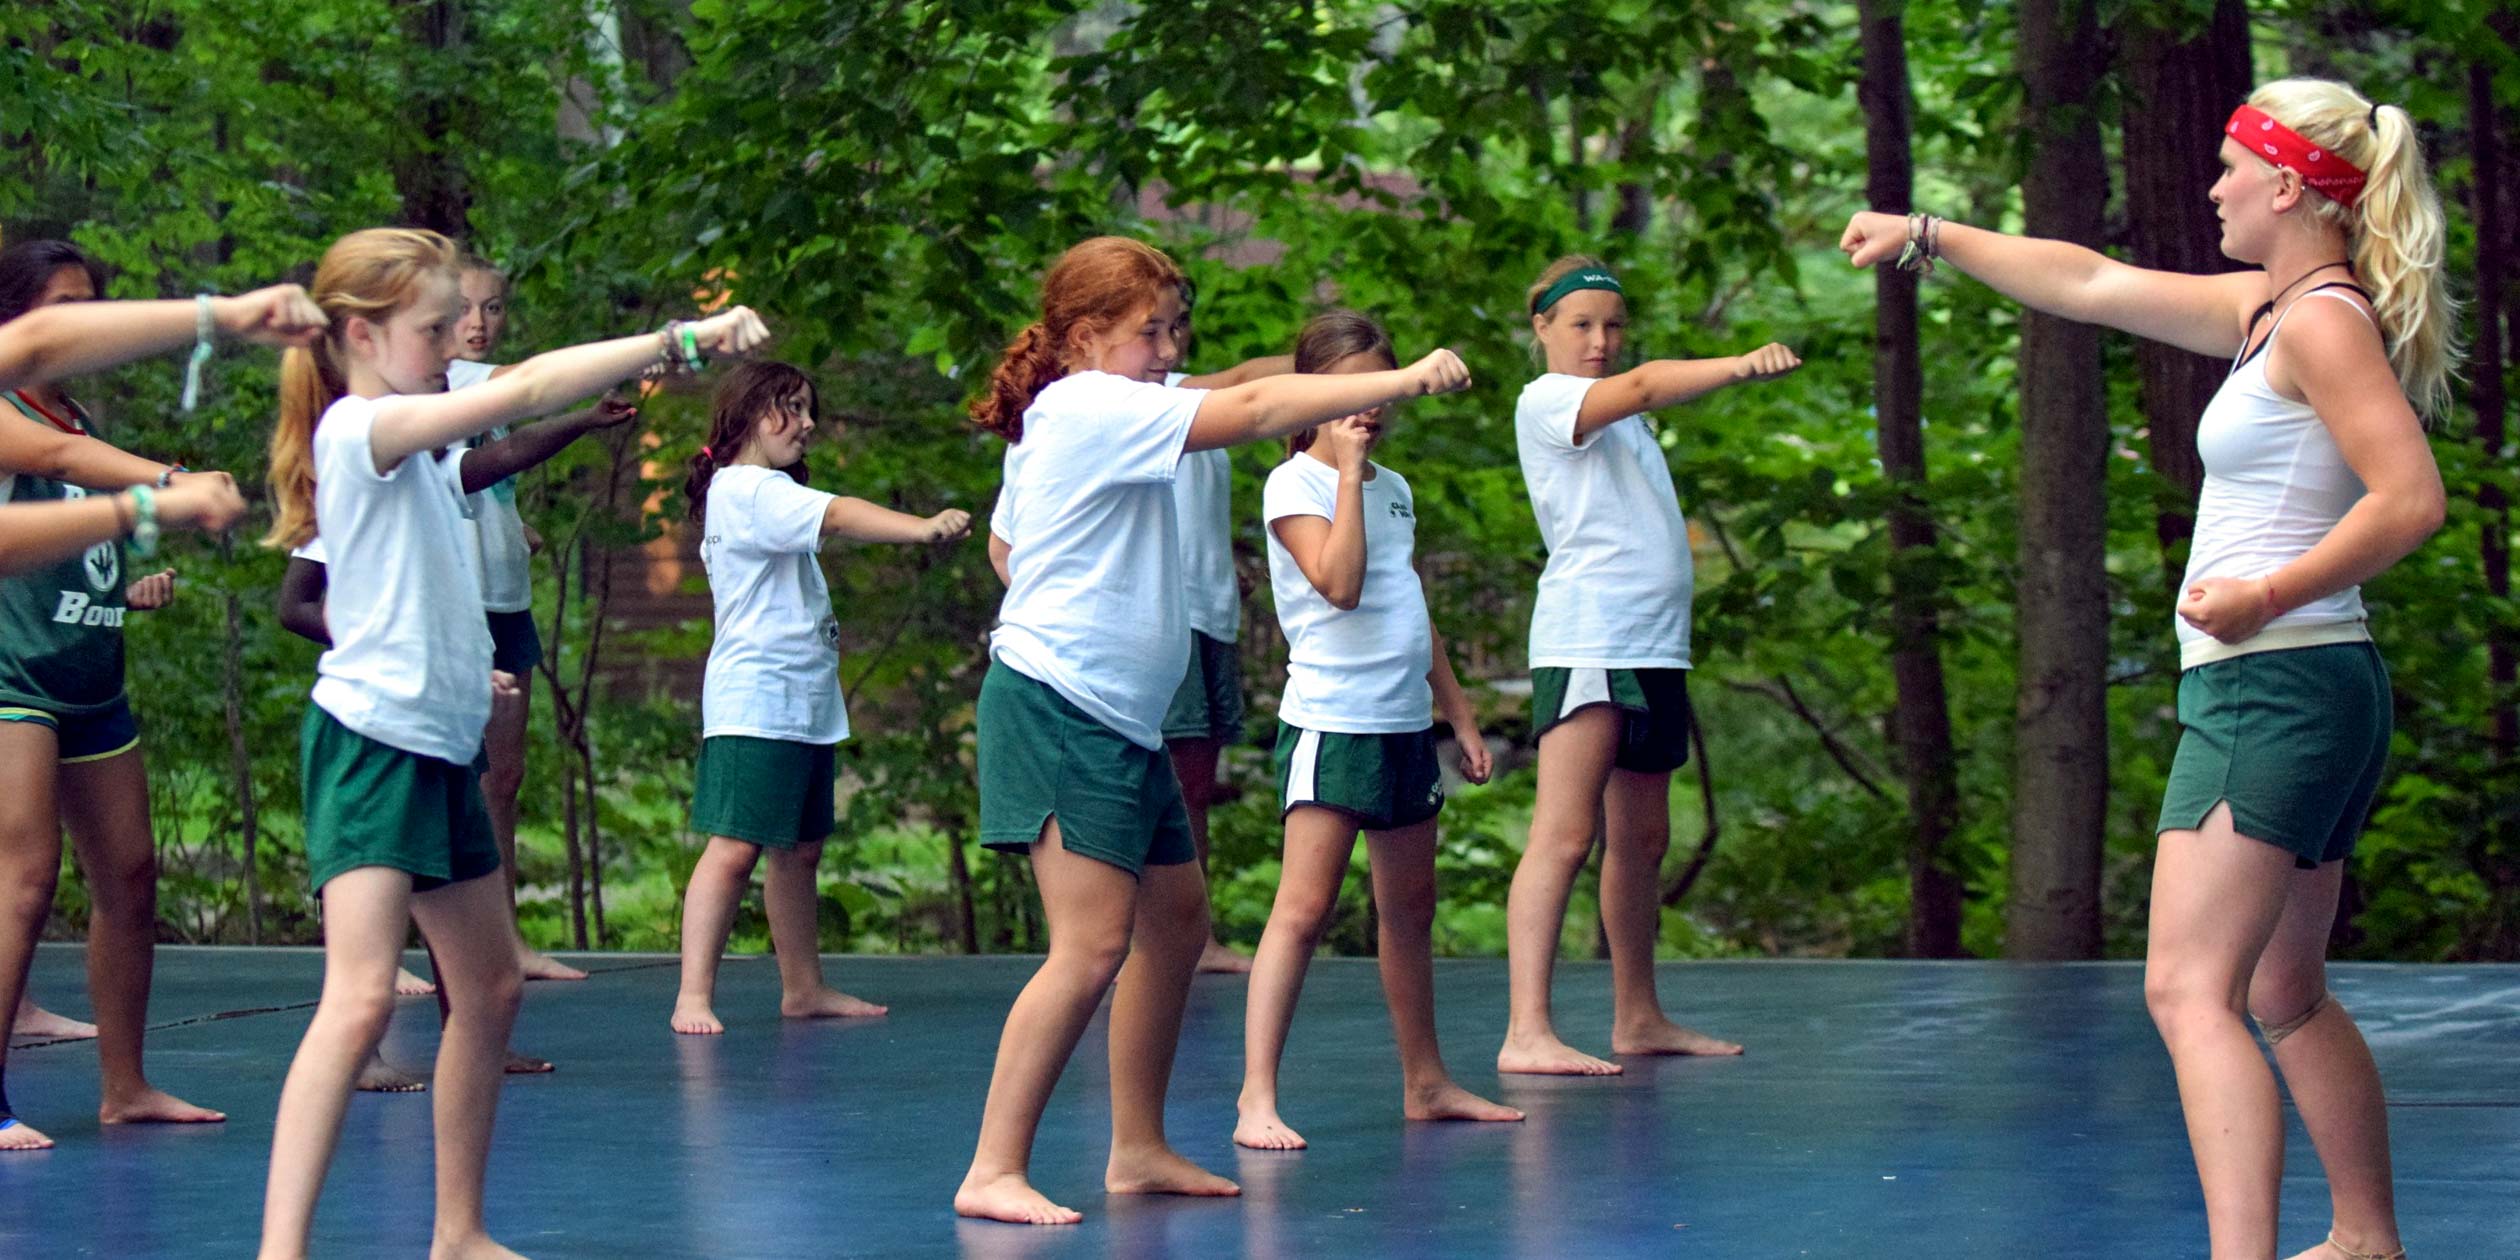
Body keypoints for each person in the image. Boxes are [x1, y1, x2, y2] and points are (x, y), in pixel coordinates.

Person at [1841, 78, 2448, 1260]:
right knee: (2285, 993)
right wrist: (1929, 235)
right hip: (2310, 684)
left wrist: (2266, 593)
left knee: (2188, 991)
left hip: (2273, 681)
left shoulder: (2321, 320)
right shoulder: (2273, 310)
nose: (2212, 186)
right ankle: (2367, 1239)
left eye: (2230, 166)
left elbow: (2411, 498)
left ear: (2287, 185)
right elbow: (2092, 284)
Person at [254, 225, 765, 1259]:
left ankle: (458, 1233)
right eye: (434, 327)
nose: (453, 344)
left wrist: (458, 669)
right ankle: (281, 1251)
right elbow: (525, 388)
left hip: (437, 745)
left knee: (488, 987)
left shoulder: (425, 456)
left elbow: (410, 585)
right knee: (358, 998)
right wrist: (680, 336)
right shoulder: (362, 428)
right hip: (372, 748)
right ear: (359, 333)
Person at [954, 236, 1470, 1225]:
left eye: (1170, 328)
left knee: (1178, 923)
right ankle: (993, 1166)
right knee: (1090, 944)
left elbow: (1235, 389)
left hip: (1119, 717)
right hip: (1062, 706)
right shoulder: (1087, 402)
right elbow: (1251, 409)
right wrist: (1401, 377)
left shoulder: (1109, 402)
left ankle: (1138, 1146)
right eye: (1149, 332)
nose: (1166, 348)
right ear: (1085, 336)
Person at [0, 245, 305, 1150]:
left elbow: (66, 531)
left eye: (94, 309)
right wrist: (167, 485)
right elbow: (61, 458)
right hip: (11, 676)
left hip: (91, 672)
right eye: (64, 311)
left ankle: (124, 1084)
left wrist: (124, 584)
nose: (83, 329)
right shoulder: (17, 414)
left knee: (131, 874)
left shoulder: (75, 411)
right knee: (22, 881)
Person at [1497, 255, 1798, 1077]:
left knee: (1644, 838)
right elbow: (1642, 385)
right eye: (1582, 325)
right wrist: (1737, 365)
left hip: (1652, 645)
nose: (1601, 341)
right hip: (1590, 641)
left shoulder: (1626, 425)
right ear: (1544, 330)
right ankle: (1527, 1028)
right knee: (1564, 834)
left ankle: (1638, 1015)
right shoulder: (1551, 400)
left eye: (1613, 326)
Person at [1234, 309, 1521, 1151]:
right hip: (1333, 722)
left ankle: (1426, 1083)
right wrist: (1349, 475)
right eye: (1354, 388)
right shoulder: (1293, 485)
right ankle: (1257, 1096)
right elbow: (1341, 584)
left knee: (1410, 909)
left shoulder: (1394, 488)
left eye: (1379, 387)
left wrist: (1459, 714)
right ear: (1317, 394)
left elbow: (1407, 606)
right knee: (1303, 907)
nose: (1370, 407)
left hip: (1404, 725)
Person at [668, 360, 969, 1035]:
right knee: (735, 847)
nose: (807, 425)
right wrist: (920, 527)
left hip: (799, 698)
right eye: (792, 409)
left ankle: (802, 987)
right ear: (750, 415)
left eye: (810, 411)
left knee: (799, 848)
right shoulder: (747, 489)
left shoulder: (759, 490)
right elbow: (840, 515)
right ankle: (692, 994)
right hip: (757, 699)